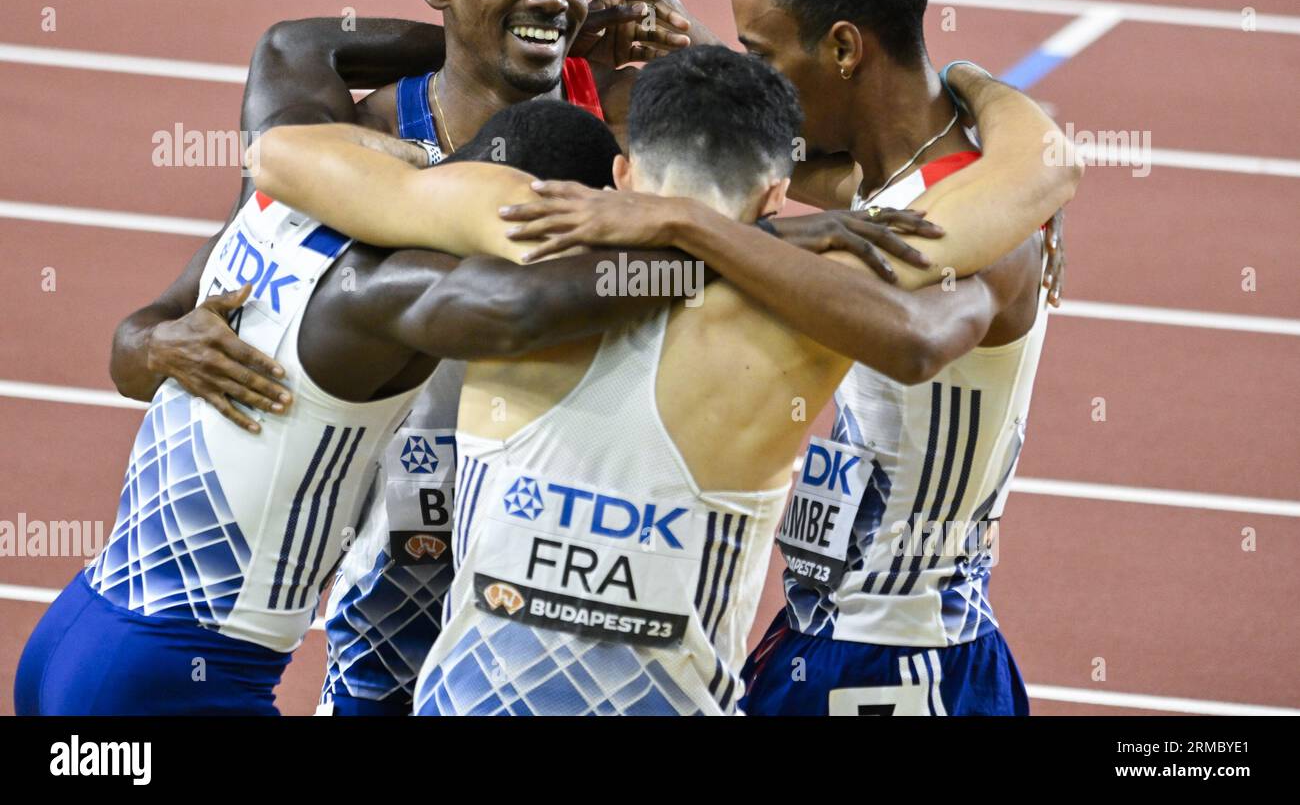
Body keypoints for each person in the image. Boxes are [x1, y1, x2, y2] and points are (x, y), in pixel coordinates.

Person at [249, 43, 1078, 714]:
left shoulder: (517, 229)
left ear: (619, 177)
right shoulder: (813, 310)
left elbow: (277, 153)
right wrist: (971, 85)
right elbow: (1035, 176)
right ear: (777, 195)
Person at [505, 0, 1077, 715]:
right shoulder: (882, 182)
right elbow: (752, 158)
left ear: (843, 48)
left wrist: (684, 223)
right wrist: (667, 52)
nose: (754, 74)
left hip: (904, 659)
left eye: (761, 54)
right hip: (825, 628)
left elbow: (912, 343)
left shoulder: (985, 217)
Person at [14, 99, 713, 715]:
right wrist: (719, 245)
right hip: (179, 671)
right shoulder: (382, 291)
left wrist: (420, 157)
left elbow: (298, 54)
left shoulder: (281, 210)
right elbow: (526, 308)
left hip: (79, 624)